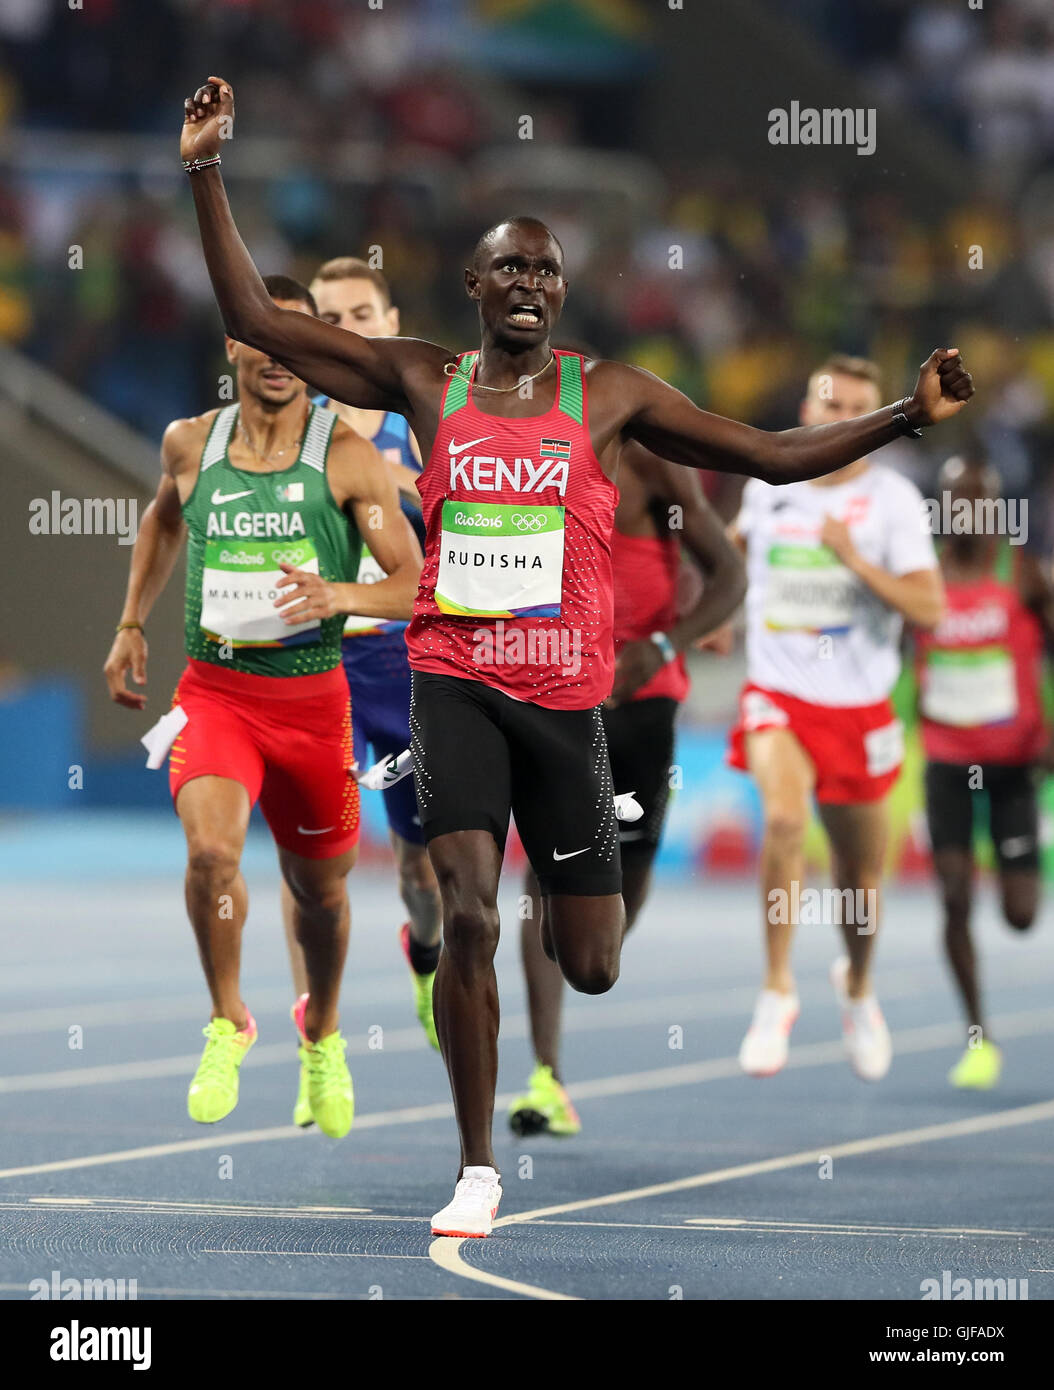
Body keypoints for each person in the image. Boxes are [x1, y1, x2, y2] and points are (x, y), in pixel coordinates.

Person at [181, 76, 973, 1236]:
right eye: (512, 267)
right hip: (452, 675)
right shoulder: (421, 379)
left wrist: (903, 417)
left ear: (563, 291)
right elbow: (257, 314)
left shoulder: (609, 394)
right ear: (474, 285)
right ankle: (474, 1166)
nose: (532, 286)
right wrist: (204, 167)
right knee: (466, 915)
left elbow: (766, 452)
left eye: (548, 271)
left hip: (566, 698)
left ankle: (566, 911)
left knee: (590, 958)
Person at [103, 274, 422, 1138]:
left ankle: (320, 1034)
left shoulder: (348, 458)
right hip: (217, 695)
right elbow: (163, 521)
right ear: (235, 346)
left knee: (319, 895)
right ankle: (228, 1018)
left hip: (316, 705)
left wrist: (335, 597)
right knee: (212, 853)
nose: (280, 360)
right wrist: (133, 621)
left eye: (298, 344)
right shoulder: (189, 445)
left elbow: (412, 582)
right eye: (264, 340)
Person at [510, 437, 746, 1136]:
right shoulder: (529, 457)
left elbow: (729, 574)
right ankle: (545, 1075)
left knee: (612, 907)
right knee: (541, 883)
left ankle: (592, 931)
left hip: (642, 698)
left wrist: (668, 644)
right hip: (552, 686)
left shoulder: (654, 466)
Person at [727, 356, 945, 1082]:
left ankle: (856, 985)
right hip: (777, 696)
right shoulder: (768, 485)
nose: (840, 417)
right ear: (808, 406)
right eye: (829, 404)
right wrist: (716, 608)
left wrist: (856, 561)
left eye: (857, 408)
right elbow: (735, 554)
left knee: (858, 881)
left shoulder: (894, 502)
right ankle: (776, 989)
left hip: (859, 709)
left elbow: (930, 609)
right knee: (785, 822)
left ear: (876, 423)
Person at [278, 257, 441, 1131]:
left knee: (420, 864)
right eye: (329, 316)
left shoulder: (427, 425)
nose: (346, 329)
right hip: (315, 663)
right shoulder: (292, 423)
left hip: (406, 666)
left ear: (392, 318)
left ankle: (425, 957)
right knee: (312, 868)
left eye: (360, 314)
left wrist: (407, 491)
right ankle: (320, 1036)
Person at [915, 454, 1054, 1089]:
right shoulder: (921, 578)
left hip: (1013, 765)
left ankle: (1023, 856)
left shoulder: (1023, 576)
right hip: (945, 761)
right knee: (952, 894)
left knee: (1021, 915)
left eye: (980, 497)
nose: (968, 509)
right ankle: (978, 1036)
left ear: (997, 505)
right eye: (956, 497)